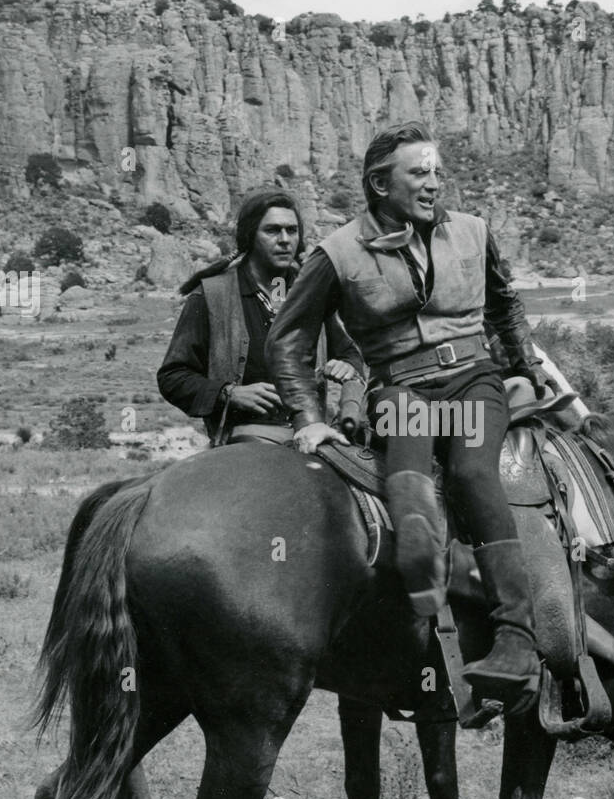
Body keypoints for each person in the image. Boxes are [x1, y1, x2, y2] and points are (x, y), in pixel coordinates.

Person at [266, 121, 555, 717]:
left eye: (436, 173)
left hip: (475, 378)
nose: (432, 183)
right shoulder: (336, 253)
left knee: (475, 472)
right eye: (418, 173)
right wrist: (307, 417)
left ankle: (516, 638)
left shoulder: (474, 232)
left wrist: (529, 366)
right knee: (409, 477)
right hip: (400, 389)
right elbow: (287, 339)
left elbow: (506, 307)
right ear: (379, 183)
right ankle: (422, 576)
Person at [157, 188, 361, 445]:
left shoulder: (314, 294)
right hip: (243, 436)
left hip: (312, 431)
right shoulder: (212, 295)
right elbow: (172, 377)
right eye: (273, 230)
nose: (285, 239)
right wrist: (229, 393)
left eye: (292, 230)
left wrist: (345, 364)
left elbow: (350, 355)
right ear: (250, 235)